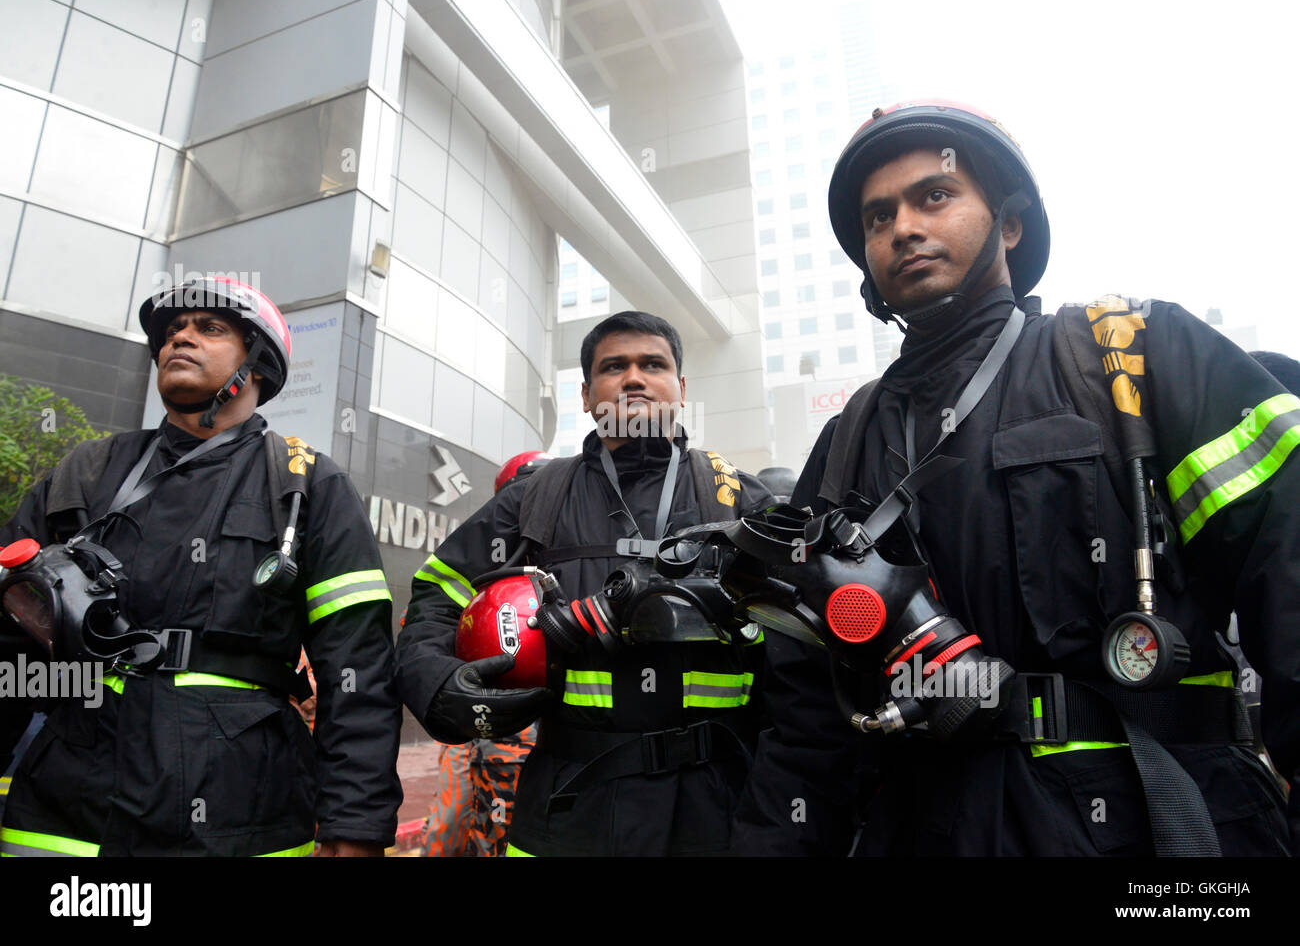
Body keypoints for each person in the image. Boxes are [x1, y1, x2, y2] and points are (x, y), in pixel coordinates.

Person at [732, 100, 1299, 856]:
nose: (901, 228)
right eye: (877, 216)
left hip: (1158, 825)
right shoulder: (847, 443)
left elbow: (1287, 571)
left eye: (934, 195)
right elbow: (805, 718)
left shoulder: (1132, 354)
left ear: (1009, 223)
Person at [0, 276, 402, 856]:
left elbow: (357, 668)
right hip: (64, 810)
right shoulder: (87, 470)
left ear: (258, 363)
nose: (179, 340)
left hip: (239, 812)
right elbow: (9, 641)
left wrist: (354, 825)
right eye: (171, 331)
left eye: (209, 328)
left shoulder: (307, 483)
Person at [396, 311, 775, 856]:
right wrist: (435, 685)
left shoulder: (738, 497)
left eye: (653, 364)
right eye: (613, 367)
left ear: (682, 387)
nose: (634, 378)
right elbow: (436, 597)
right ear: (585, 394)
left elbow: (801, 654)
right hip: (568, 809)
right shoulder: (534, 497)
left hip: (717, 806)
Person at [420, 452, 548, 858]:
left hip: (499, 735)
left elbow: (451, 817)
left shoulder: (484, 582)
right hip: (494, 728)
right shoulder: (481, 586)